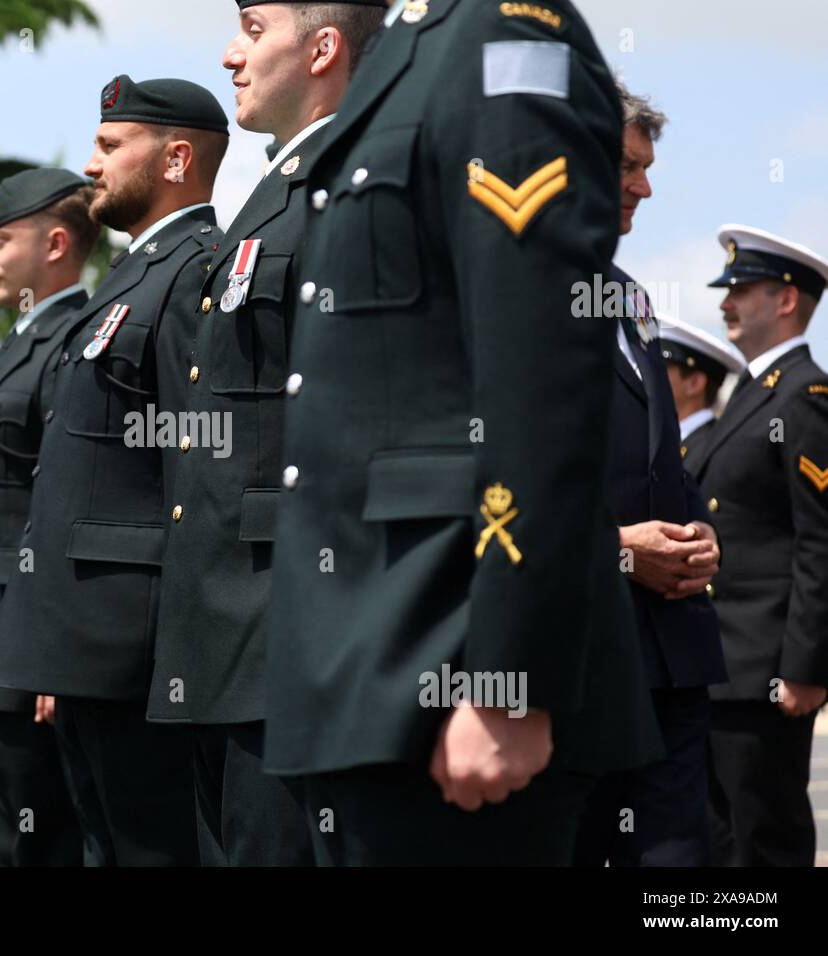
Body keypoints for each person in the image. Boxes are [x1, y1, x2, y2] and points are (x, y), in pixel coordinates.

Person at [263, 0, 661, 865]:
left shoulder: (508, 36)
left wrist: (512, 676)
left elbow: (539, 370)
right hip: (371, 655)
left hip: (450, 652)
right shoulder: (414, 45)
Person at [146, 0, 385, 867]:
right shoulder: (280, 186)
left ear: (322, 48)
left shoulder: (359, 180)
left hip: (294, 610)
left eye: (253, 29)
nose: (230, 54)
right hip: (229, 617)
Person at [0, 75, 229, 866]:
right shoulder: (131, 275)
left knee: (149, 846)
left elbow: (196, 465)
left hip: (136, 641)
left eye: (112, 147)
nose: (92, 165)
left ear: (177, 157)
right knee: (105, 846)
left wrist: (177, 645)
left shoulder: (194, 268)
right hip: (88, 632)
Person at [572, 85, 725, 867]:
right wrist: (618, 550)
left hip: (669, 656)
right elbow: (483, 475)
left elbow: (655, 456)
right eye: (628, 166)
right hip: (573, 654)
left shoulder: (628, 297)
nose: (645, 187)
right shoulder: (507, 287)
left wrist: (699, 532)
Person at [0, 168, 96, 866]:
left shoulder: (74, 340)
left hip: (25, 644)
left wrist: (53, 649)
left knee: (39, 843)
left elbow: (66, 501)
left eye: (0, 241)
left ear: (57, 244)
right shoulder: (23, 340)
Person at [693, 224, 828, 866]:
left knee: (764, 840)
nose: (725, 303)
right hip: (723, 665)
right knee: (724, 844)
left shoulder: (806, 396)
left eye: (741, 289)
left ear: (785, 300)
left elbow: (819, 541)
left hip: (765, 670)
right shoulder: (750, 393)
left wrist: (806, 667)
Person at [658, 318, 744, 468]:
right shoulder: (656, 442)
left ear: (694, 383)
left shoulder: (720, 451)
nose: (643, 374)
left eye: (658, 368)